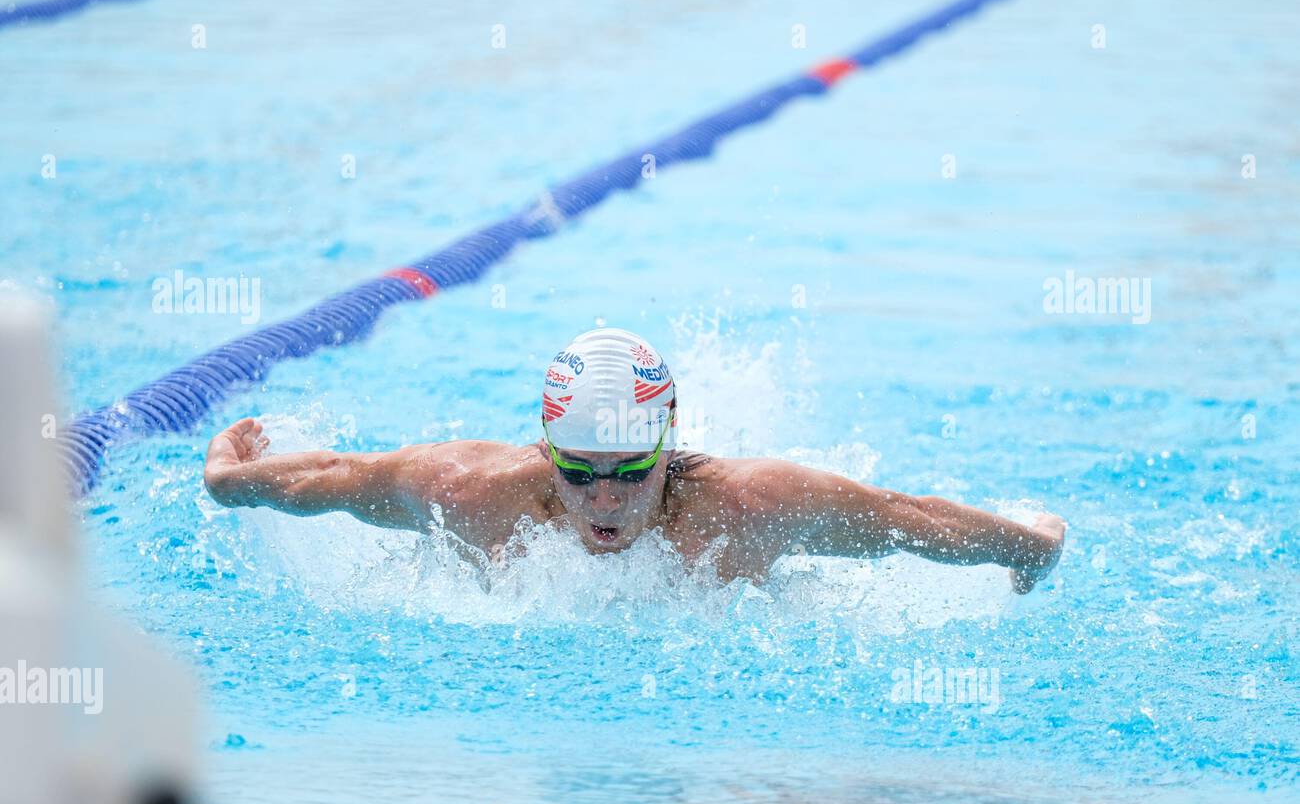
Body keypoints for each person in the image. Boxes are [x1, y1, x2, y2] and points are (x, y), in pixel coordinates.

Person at [204, 327, 1066, 587]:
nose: (603, 500)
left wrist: (1029, 546)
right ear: (547, 449)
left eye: (628, 474)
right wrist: (230, 479)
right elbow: (338, 479)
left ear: (669, 448)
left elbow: (902, 519)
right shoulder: (473, 494)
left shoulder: (751, 509)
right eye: (577, 472)